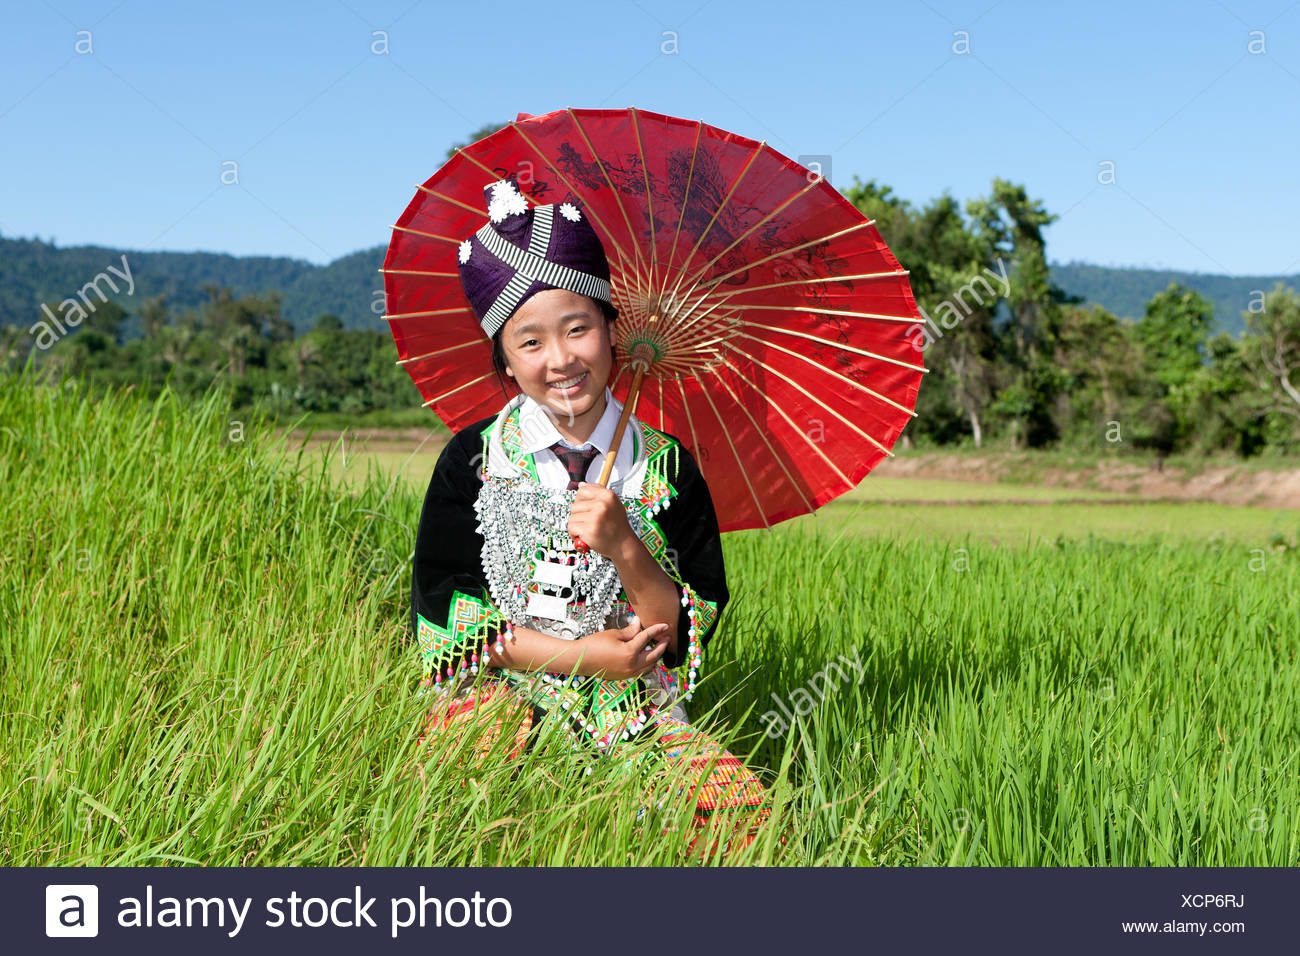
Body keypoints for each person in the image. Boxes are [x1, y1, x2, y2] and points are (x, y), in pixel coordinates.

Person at [410, 176, 771, 855]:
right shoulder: (475, 461)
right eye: (531, 343)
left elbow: (678, 625)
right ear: (507, 365)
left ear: (611, 330)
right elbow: (449, 622)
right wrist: (581, 656)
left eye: (578, 328)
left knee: (743, 827)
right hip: (506, 692)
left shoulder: (666, 468)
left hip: (633, 707)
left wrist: (624, 545)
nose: (562, 359)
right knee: (467, 819)